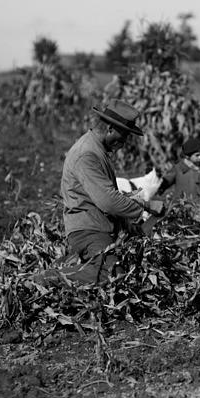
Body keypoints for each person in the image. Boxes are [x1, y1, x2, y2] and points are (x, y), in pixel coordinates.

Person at [57, 100, 162, 284]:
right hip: (88, 230)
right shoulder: (87, 154)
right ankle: (50, 279)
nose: (125, 141)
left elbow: (107, 195)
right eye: (125, 135)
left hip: (98, 226)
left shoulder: (96, 149)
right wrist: (145, 209)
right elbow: (108, 201)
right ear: (110, 129)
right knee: (113, 274)